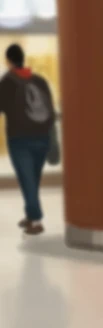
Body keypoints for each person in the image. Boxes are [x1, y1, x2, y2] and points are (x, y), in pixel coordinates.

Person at [0, 43, 55, 236]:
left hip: (20, 138)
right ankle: (30, 216)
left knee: (27, 180)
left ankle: (37, 220)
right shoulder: (39, 80)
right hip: (42, 137)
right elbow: (50, 109)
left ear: (8, 60)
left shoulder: (8, 81)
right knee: (32, 179)